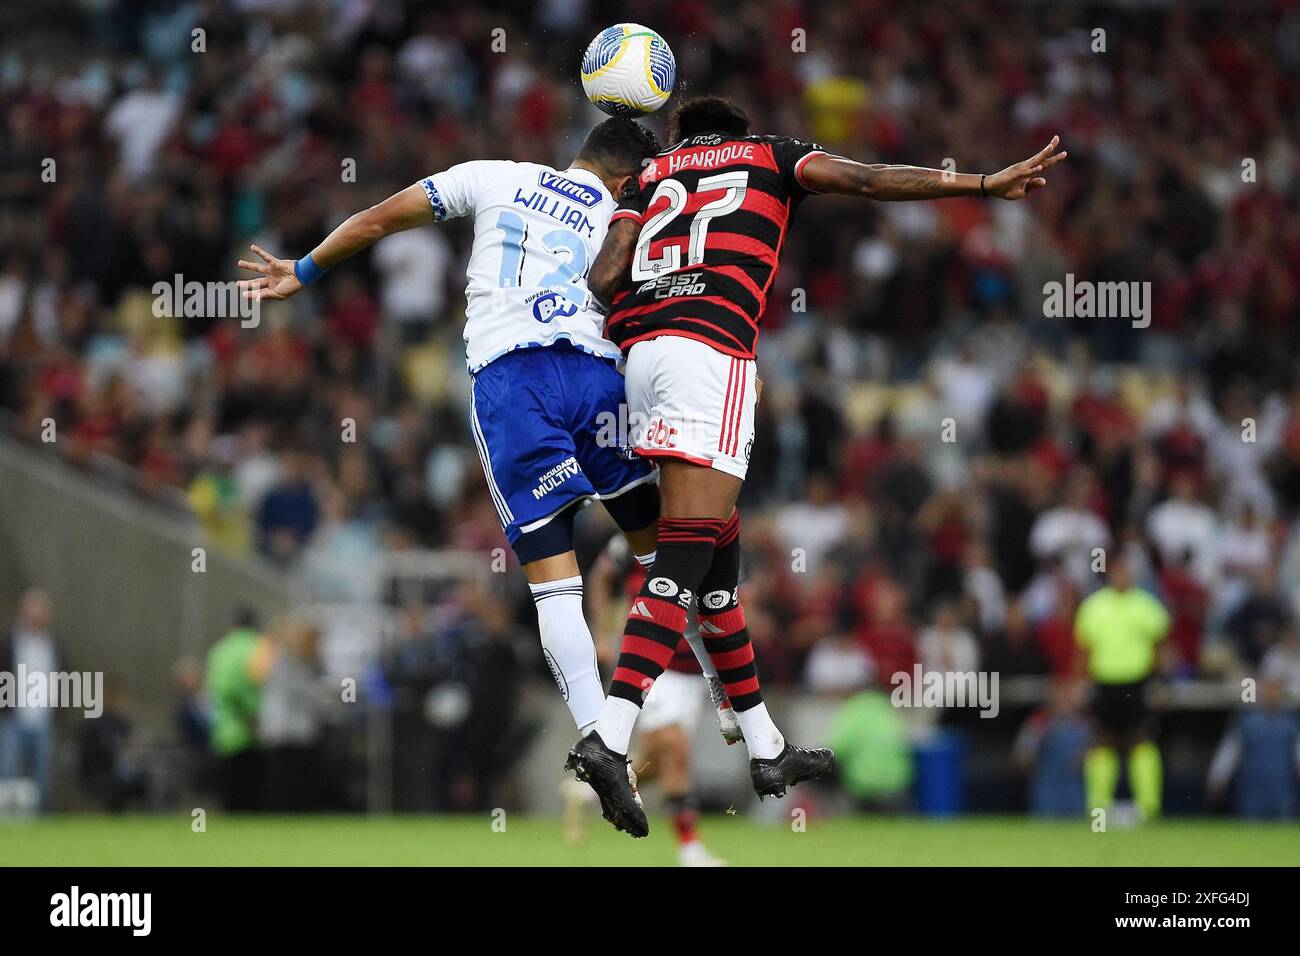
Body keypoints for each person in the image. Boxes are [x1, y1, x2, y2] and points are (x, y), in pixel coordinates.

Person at [570, 94, 1067, 836]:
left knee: (717, 564)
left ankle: (768, 748)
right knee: (685, 556)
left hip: (643, 356)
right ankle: (609, 736)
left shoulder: (652, 176)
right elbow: (868, 179)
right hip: (712, 352)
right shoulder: (768, 152)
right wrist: (983, 185)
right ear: (738, 131)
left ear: (682, 133)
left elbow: (605, 277)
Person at [238, 119, 742, 758]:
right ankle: (728, 694)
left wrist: (304, 270)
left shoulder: (494, 176)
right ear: (624, 181)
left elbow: (379, 219)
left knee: (554, 580)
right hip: (595, 377)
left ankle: (599, 743)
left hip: (515, 383)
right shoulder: (628, 218)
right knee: (668, 554)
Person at [1073, 554, 1171, 820]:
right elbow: (1084, 650)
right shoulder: (1093, 606)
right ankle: (1098, 806)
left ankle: (1148, 806)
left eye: (1125, 572)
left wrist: (1163, 683)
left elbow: (1161, 647)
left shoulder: (1146, 606)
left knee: (1139, 740)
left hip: (1137, 682)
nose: (1121, 577)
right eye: (1117, 572)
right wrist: (1079, 683)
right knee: (1103, 740)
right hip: (1104, 682)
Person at [0, 588, 60, 811]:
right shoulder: (9, 643)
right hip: (14, 717)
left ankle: (41, 822)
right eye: (32, 608)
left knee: (41, 776)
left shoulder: (52, 645)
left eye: (41, 609)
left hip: (42, 718)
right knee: (8, 771)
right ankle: (6, 820)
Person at [204, 608, 265, 811]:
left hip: (224, 732)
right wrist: (251, 716)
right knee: (252, 797)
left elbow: (220, 690)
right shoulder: (258, 647)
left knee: (230, 798)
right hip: (254, 730)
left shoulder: (219, 650)